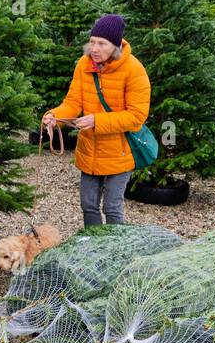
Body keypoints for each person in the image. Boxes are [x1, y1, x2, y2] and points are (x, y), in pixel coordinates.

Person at [41, 14, 151, 227]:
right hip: (89, 150)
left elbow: (137, 116)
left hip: (119, 152)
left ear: (116, 45)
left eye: (102, 43)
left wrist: (96, 121)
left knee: (112, 207)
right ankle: (92, 249)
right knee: (88, 205)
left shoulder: (134, 70)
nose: (95, 48)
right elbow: (73, 102)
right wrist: (55, 116)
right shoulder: (84, 64)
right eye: (92, 42)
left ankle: (115, 253)